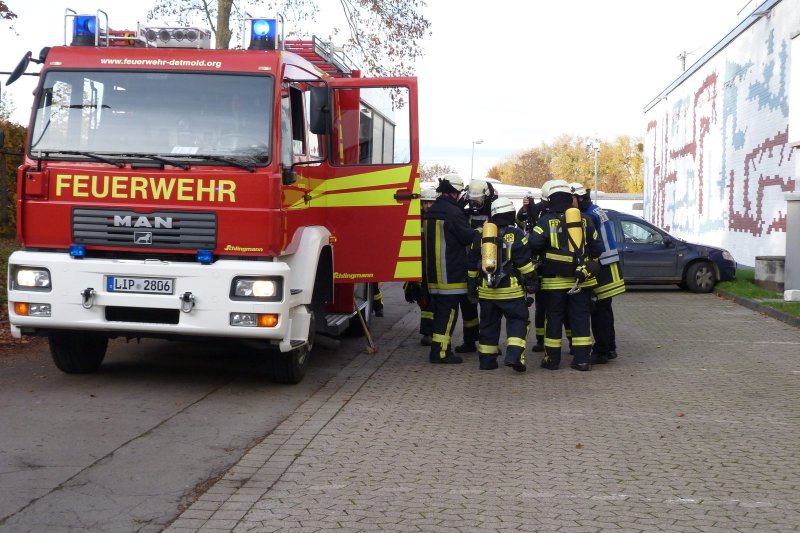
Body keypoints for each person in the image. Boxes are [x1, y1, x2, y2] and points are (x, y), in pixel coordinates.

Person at [528, 179, 601, 371]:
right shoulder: (586, 220)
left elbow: (533, 245)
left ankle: (552, 361)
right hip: (581, 281)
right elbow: (597, 249)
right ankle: (582, 360)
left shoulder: (545, 221)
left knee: (553, 320)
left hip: (553, 284)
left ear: (548, 200)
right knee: (580, 319)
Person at [467, 197, 538, 371]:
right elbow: (524, 263)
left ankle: (487, 361)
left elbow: (471, 263)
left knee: (488, 326)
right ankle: (513, 356)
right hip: (511, 292)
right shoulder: (517, 234)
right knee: (517, 321)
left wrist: (471, 286)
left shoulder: (481, 233)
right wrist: (532, 281)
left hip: (486, 291)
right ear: (511, 213)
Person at [422, 174, 477, 364]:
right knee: (448, 314)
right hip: (451, 274)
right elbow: (467, 237)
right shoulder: (454, 213)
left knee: (440, 313)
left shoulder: (432, 211)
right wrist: (480, 232)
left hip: (433, 274)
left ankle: (440, 349)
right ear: (454, 192)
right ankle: (441, 353)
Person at [570, 182, 626, 364]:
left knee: (598, 311)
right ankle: (610, 348)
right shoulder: (596, 210)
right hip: (609, 264)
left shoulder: (588, 216)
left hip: (601, 266)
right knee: (605, 310)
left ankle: (601, 351)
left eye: (571, 199)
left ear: (578, 198)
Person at [453, 178, 497, 353]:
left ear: (486, 197)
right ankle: (469, 341)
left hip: (489, 264)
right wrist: (462, 202)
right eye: (471, 199)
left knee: (490, 307)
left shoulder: (494, 212)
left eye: (477, 200)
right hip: (468, 263)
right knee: (468, 305)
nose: (474, 203)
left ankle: (490, 344)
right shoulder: (464, 213)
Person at [404, 187, 438, 345]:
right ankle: (427, 333)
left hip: (436, 266)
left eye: (431, 203)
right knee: (424, 301)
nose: (428, 206)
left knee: (435, 302)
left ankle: (432, 333)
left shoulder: (439, 219)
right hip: (420, 267)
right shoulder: (415, 220)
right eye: (425, 203)